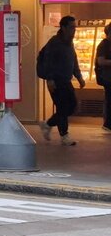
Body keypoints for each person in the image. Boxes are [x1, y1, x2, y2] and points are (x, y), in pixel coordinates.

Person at [38, 16, 85, 146]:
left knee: (71, 106)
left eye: (75, 27)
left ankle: (48, 124)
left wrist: (79, 76)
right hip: (56, 81)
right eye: (71, 27)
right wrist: (50, 79)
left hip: (66, 80)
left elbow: (73, 60)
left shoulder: (69, 43)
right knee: (63, 107)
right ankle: (64, 135)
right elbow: (48, 61)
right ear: (63, 28)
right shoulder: (54, 43)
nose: (74, 30)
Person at [92, 24, 111, 132]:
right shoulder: (103, 45)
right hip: (107, 78)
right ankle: (108, 124)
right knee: (109, 100)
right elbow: (101, 61)